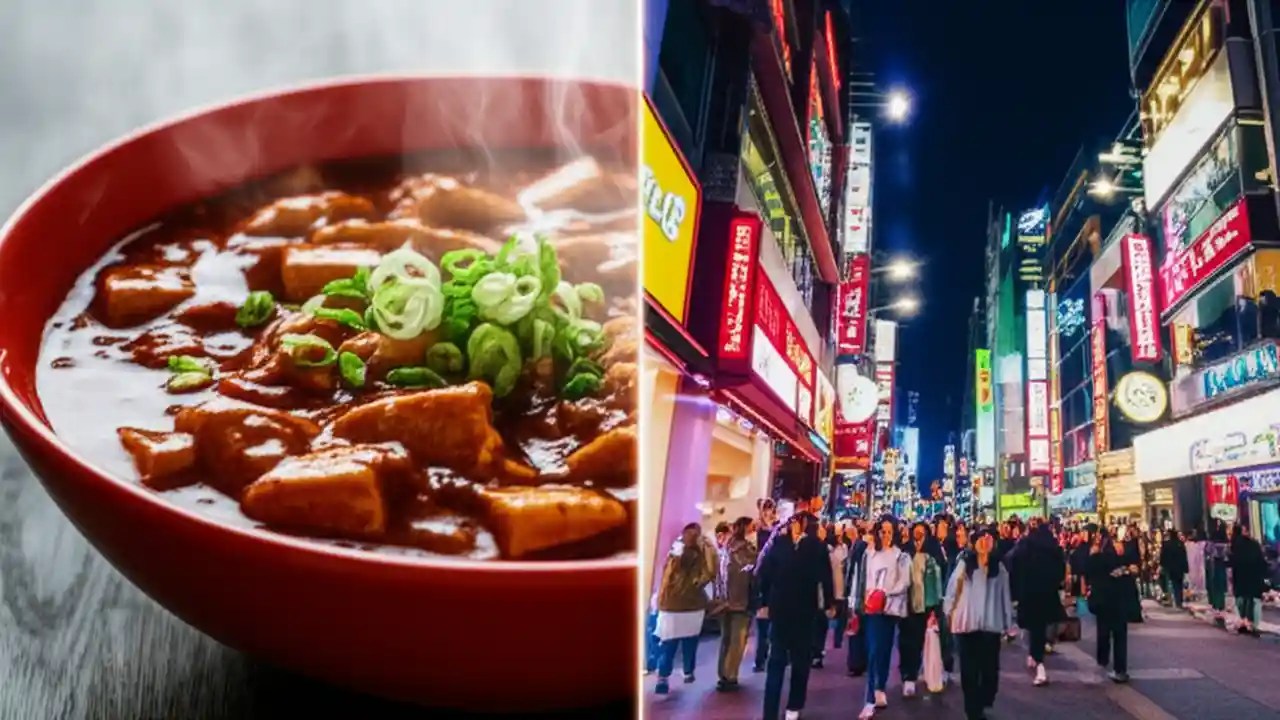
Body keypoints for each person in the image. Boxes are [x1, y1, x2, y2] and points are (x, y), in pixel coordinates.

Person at [757, 511, 835, 720]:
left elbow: (825, 577)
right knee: (777, 661)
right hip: (783, 611)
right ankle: (771, 710)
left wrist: (828, 601)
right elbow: (765, 574)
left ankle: (793, 705)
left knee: (799, 662)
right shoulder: (780, 544)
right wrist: (763, 601)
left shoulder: (815, 547)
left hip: (803, 611)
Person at [944, 526, 1015, 720]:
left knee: (990, 671)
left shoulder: (998, 568)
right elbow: (952, 589)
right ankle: (973, 711)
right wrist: (948, 612)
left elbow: (1005, 596)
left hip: (990, 626)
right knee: (969, 670)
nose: (985, 542)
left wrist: (1009, 625)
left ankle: (985, 698)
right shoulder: (965, 564)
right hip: (966, 624)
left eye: (988, 539)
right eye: (980, 539)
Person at [851, 516, 911, 719]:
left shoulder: (900, 556)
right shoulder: (869, 554)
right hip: (872, 609)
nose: (885, 535)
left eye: (889, 532)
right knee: (874, 650)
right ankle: (868, 699)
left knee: (885, 649)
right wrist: (864, 599)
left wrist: (886, 593)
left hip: (891, 609)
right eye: (882, 531)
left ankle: (880, 687)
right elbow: (863, 579)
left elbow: (904, 582)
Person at [654, 523, 717, 694]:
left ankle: (663, 678)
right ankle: (688, 671)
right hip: (692, 605)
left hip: (671, 606)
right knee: (690, 641)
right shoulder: (702, 553)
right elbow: (711, 572)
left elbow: (666, 578)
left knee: (669, 644)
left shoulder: (675, 552)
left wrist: (659, 601)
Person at [1013, 520, 1067, 686]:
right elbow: (1061, 571)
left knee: (1034, 628)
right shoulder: (1053, 548)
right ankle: (1036, 656)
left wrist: (1017, 592)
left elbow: (1015, 567)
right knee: (1041, 628)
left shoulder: (1025, 547)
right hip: (1048, 595)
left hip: (1029, 595)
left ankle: (1038, 663)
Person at [897, 521, 945, 697]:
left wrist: (935, 608)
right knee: (907, 642)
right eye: (915, 533)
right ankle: (908, 676)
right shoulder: (904, 553)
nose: (918, 537)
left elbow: (939, 580)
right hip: (907, 606)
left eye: (921, 533)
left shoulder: (933, 553)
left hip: (926, 605)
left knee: (921, 641)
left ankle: (920, 672)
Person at [1087, 528, 1140, 683]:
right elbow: (1129, 572)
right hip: (1118, 601)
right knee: (1120, 636)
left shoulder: (1095, 557)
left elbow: (1089, 572)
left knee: (1103, 631)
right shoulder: (1119, 558)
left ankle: (1103, 658)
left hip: (1103, 601)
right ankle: (1120, 669)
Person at [715, 517, 757, 691]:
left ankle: (723, 674)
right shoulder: (747, 550)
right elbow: (754, 573)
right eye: (752, 528)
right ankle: (730, 676)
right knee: (737, 641)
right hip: (740, 601)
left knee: (726, 639)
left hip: (724, 601)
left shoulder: (726, 548)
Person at [811, 524, 849, 668]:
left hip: (836, 590)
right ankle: (817, 652)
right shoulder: (824, 550)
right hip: (824, 591)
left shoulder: (841, 549)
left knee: (826, 622)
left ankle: (822, 648)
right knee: (820, 622)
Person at [753, 498, 780, 672]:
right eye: (765, 508)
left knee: (773, 620)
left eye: (770, 508)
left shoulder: (778, 527)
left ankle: (771, 653)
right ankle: (760, 658)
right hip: (761, 576)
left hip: (775, 577)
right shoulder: (757, 528)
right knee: (762, 621)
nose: (768, 512)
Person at [1229, 524, 1268, 634]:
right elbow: (1261, 562)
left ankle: (1244, 621)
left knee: (1242, 600)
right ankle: (1252, 623)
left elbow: (1233, 562)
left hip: (1241, 577)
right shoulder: (1254, 545)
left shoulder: (1236, 545)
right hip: (1254, 577)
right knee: (1254, 600)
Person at [935, 517, 960, 684]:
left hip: (946, 594)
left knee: (946, 633)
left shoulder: (949, 546)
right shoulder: (939, 545)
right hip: (942, 594)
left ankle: (946, 665)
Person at [1159, 529, 1189, 610]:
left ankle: (1173, 600)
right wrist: (1186, 568)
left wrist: (1162, 565)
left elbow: (1163, 556)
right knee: (1179, 584)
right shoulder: (1180, 544)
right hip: (1180, 567)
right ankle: (1179, 601)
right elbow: (1184, 556)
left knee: (1172, 584)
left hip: (1170, 567)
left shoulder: (1166, 544)